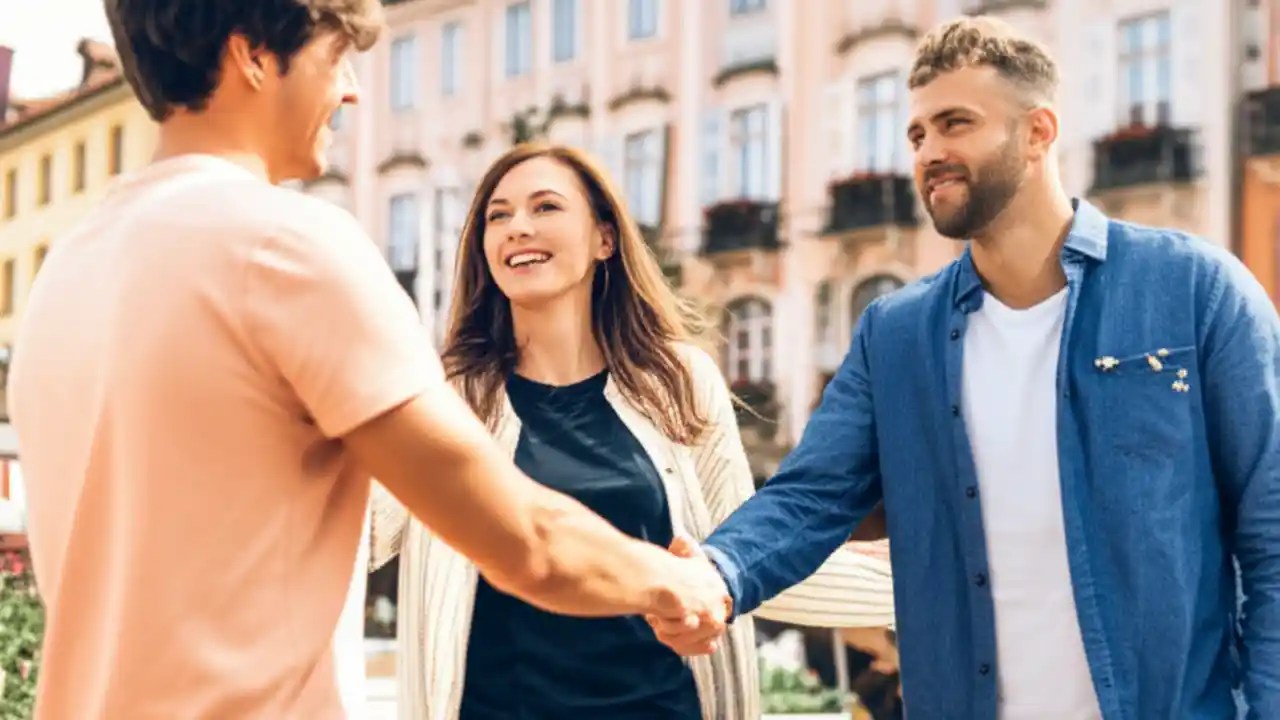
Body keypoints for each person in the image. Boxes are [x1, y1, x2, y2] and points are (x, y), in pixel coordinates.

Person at [7, 2, 730, 717]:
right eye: (334, 56)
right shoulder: (286, 247)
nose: (350, 88)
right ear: (253, 55)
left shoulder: (64, 272)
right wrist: (679, 584)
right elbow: (524, 542)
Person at [651, 15, 1280, 720]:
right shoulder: (894, 335)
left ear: (1039, 132)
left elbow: (1271, 529)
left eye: (956, 124)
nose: (928, 152)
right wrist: (719, 570)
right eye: (917, 134)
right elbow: (810, 495)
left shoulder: (1194, 290)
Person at [367, 142, 896, 720]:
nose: (517, 227)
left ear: (604, 239)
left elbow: (746, 557)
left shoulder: (679, 382)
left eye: (545, 207)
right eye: (498, 215)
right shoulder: (445, 396)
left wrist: (927, 576)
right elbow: (356, 535)